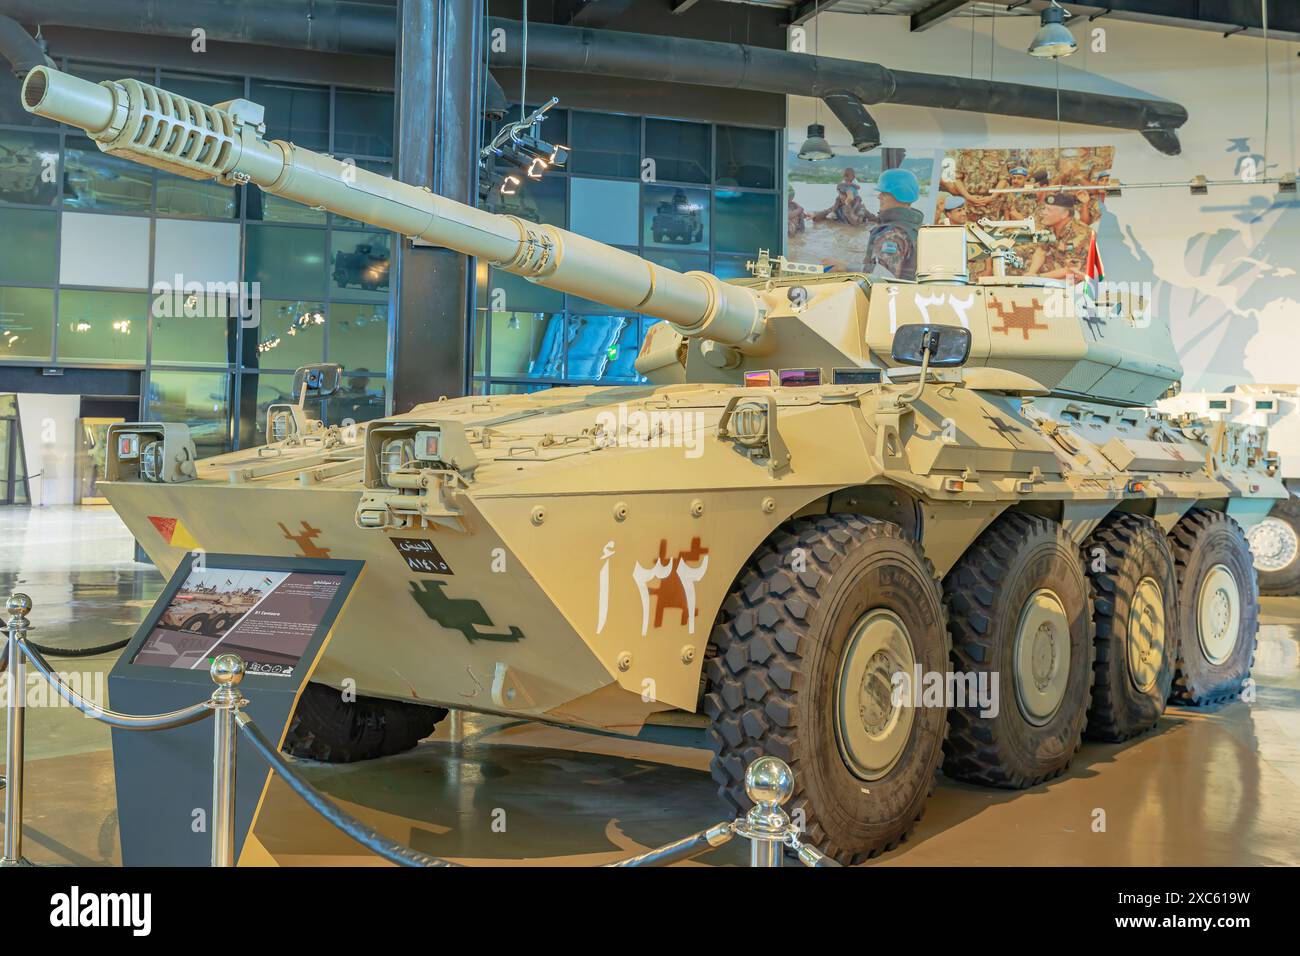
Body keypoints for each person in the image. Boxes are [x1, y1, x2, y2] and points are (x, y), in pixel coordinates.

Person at [863, 167, 925, 280]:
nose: (879, 196)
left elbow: (883, 277)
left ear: (899, 194)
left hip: (890, 295)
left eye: (884, 193)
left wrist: (846, 268)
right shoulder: (915, 226)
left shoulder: (893, 234)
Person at [1027, 192, 1092, 280]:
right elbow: (1041, 250)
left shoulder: (1080, 233)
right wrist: (1031, 273)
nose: (1043, 212)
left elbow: (1072, 270)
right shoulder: (1049, 226)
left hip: (1079, 277)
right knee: (1022, 261)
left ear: (1064, 214)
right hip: (1061, 265)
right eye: (1044, 209)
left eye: (1049, 210)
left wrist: (1038, 277)